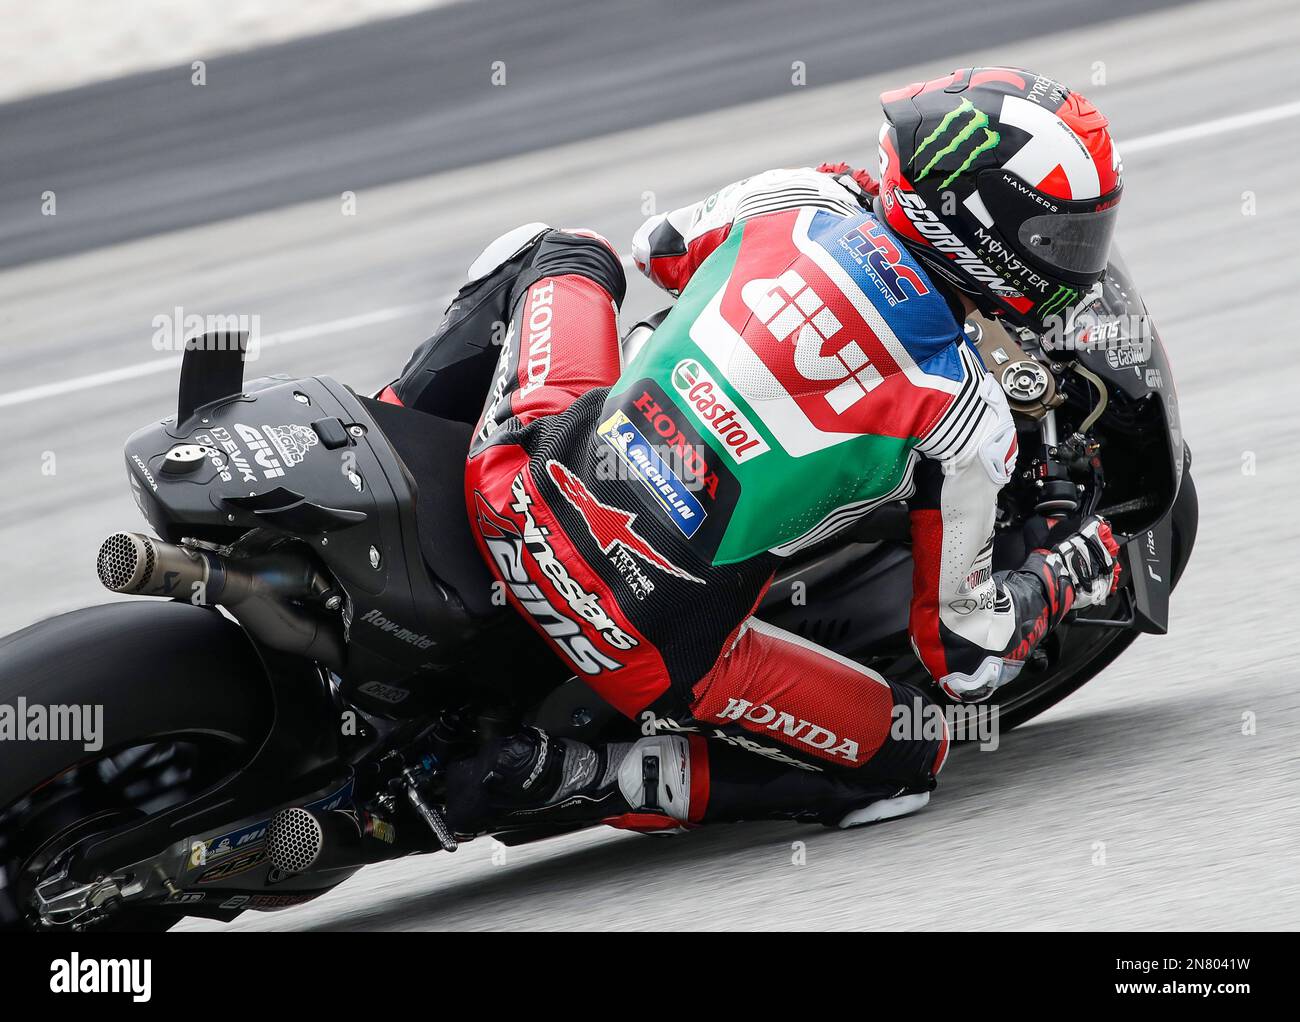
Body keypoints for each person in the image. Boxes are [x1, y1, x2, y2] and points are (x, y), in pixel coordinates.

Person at [384, 66, 1123, 835]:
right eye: (1064, 236)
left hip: (517, 489)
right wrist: (1064, 572)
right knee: (917, 748)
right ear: (983, 226)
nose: (1079, 259)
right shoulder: (968, 413)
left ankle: (387, 433)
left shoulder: (800, 198)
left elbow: (659, 248)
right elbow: (966, 660)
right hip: (645, 649)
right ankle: (591, 775)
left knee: (560, 250)